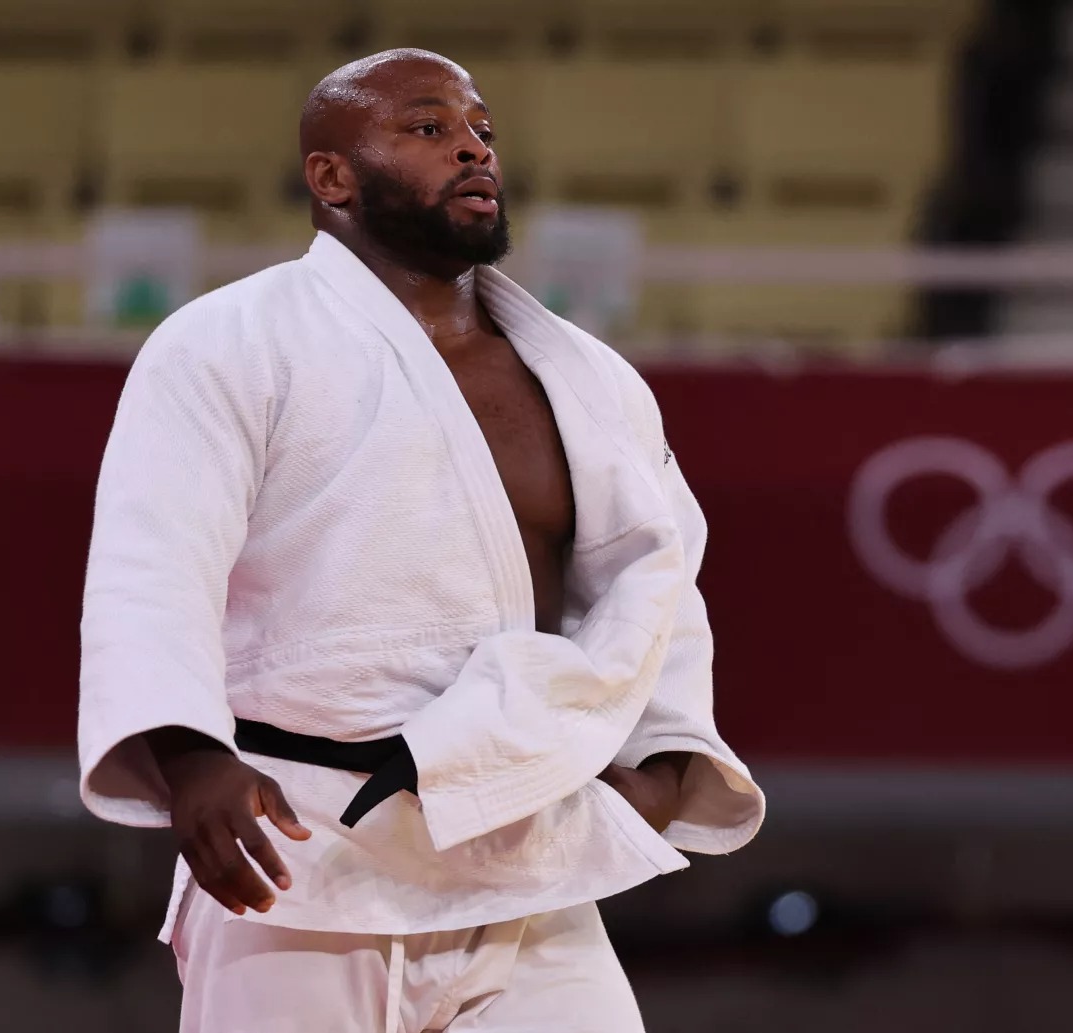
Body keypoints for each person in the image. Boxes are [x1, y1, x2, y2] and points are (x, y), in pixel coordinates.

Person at [77, 49, 764, 1033]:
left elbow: (655, 582)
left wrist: (661, 757)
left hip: (526, 848)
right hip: (304, 845)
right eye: (430, 128)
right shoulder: (225, 340)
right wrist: (188, 756)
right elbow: (154, 561)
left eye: (482, 130)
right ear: (332, 177)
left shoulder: (587, 375)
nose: (474, 150)